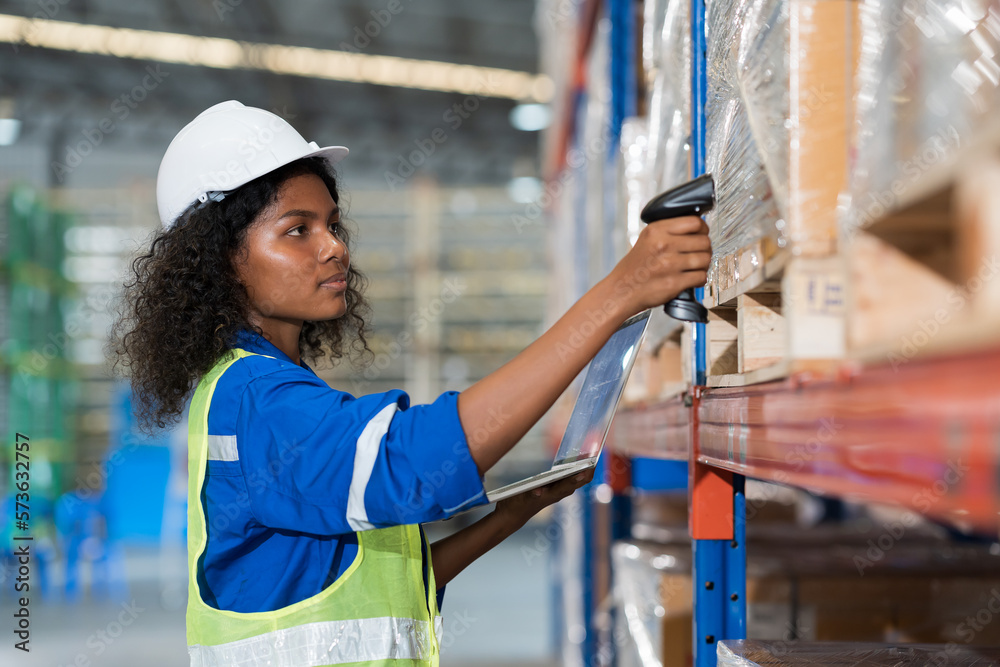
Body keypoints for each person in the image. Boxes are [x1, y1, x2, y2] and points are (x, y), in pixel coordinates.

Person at [111, 101, 712, 666]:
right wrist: (619, 293)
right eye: (298, 230)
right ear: (220, 259)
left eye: (333, 224)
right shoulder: (262, 403)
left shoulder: (253, 386)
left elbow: (381, 584)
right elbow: (413, 463)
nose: (335, 247)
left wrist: (516, 509)